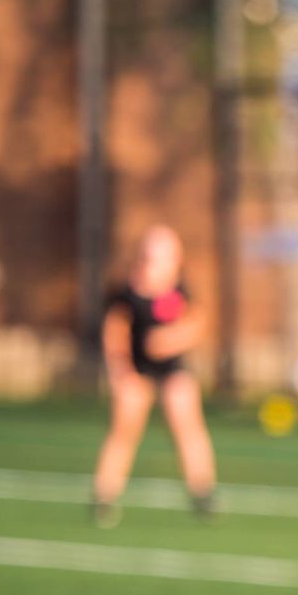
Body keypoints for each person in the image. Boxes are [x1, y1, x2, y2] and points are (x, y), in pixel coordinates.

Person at [91, 224, 217, 526]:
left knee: (188, 424)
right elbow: (115, 331)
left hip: (172, 370)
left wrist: (172, 340)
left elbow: (197, 324)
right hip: (137, 370)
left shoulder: (180, 289)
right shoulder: (127, 293)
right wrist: (121, 371)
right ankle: (104, 496)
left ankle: (203, 492)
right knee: (124, 431)